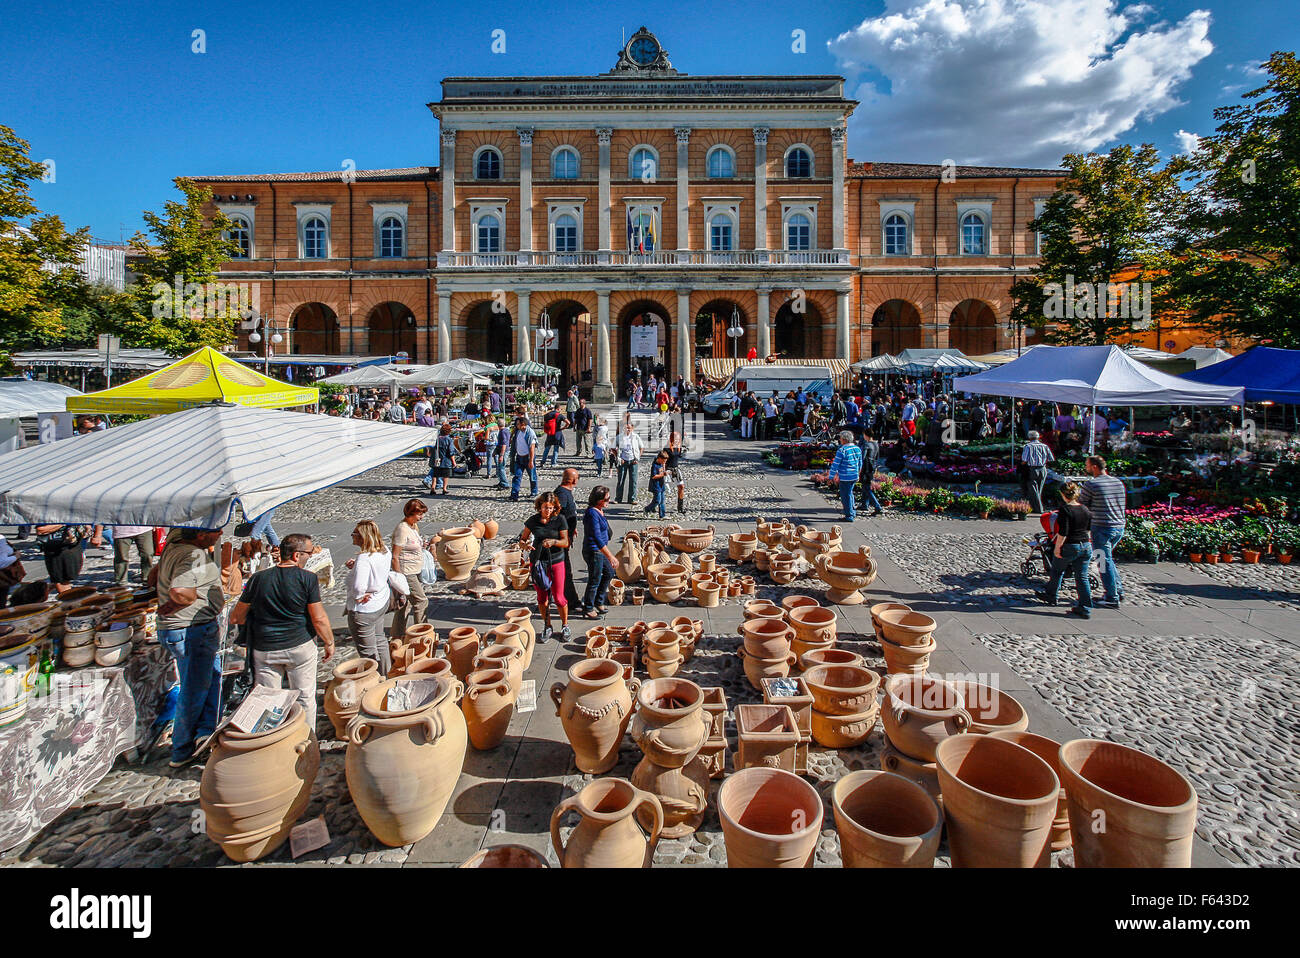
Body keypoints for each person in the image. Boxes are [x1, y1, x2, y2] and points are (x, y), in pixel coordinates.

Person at [230, 532, 335, 734]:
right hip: (299, 645)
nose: (310, 557)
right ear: (296, 555)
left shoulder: (258, 579)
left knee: (268, 699)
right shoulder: (307, 579)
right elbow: (318, 617)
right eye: (308, 553)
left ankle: (269, 740)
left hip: (265, 648)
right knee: (304, 696)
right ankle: (306, 740)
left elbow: (237, 616)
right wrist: (329, 642)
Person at [155, 527, 225, 767]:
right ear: (200, 534)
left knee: (211, 678)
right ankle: (182, 748)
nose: (221, 533)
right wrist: (176, 604)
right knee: (193, 689)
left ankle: (205, 733)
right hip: (191, 629)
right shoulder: (192, 555)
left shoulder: (174, 545)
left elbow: (152, 577)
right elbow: (180, 591)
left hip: (186, 628)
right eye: (216, 530)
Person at [1037, 482, 1093, 618]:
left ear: (1063, 494)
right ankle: (1085, 607)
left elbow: (1063, 532)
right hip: (1085, 545)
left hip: (1070, 545)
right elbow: (1089, 529)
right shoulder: (1085, 509)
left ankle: (1051, 595)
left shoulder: (1065, 510)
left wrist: (1057, 548)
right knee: (1082, 577)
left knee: (1057, 570)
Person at [520, 492, 570, 642]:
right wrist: (525, 545)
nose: (548, 511)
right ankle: (547, 625)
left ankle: (565, 625)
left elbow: (565, 542)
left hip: (556, 561)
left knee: (559, 598)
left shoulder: (560, 520)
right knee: (542, 598)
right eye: (545, 508)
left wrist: (554, 542)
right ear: (539, 507)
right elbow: (522, 539)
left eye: (550, 508)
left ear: (555, 507)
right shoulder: (533, 521)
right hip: (538, 562)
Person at [344, 520, 393, 676]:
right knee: (380, 640)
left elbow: (359, 586)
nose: (352, 536)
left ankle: (373, 679)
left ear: (362, 537)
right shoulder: (385, 551)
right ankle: (387, 674)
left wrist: (358, 596)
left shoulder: (364, 559)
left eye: (355, 533)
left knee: (367, 651)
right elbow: (378, 571)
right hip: (380, 601)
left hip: (364, 610)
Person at [1079, 455, 1126, 608]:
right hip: (1119, 526)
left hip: (1101, 527)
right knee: (1108, 560)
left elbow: (1081, 505)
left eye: (1087, 465)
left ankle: (1112, 597)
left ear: (1094, 467)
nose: (1085, 468)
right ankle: (1118, 590)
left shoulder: (1092, 484)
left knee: (1103, 562)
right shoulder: (1118, 482)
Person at [390, 499, 430, 636]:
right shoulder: (402, 529)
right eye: (419, 514)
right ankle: (421, 634)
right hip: (406, 572)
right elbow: (395, 555)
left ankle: (397, 635)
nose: (421, 517)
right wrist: (399, 577)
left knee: (404, 605)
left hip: (415, 569)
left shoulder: (412, 526)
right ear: (410, 513)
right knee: (421, 601)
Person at [578, 485, 618, 618]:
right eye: (607, 498)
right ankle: (588, 608)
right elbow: (597, 538)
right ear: (598, 499)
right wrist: (611, 556)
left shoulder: (599, 510)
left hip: (600, 550)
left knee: (609, 573)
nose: (609, 500)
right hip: (594, 551)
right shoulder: (592, 514)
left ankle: (598, 600)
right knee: (594, 579)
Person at [34, 523, 99, 593]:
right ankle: (67, 599)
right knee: (61, 580)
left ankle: (45, 589)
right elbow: (41, 530)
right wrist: (65, 523)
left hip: (73, 545)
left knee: (69, 576)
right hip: (55, 549)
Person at [554, 468, 584, 610]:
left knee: (565, 569)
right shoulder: (562, 494)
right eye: (577, 477)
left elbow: (566, 514)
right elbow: (557, 515)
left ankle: (566, 597)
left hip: (565, 537)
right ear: (573, 480)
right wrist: (565, 531)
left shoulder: (566, 493)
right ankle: (571, 601)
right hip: (560, 540)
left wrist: (573, 528)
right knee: (565, 570)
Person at [829, 430, 863, 521]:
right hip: (854, 475)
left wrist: (831, 477)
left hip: (845, 476)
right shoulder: (857, 448)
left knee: (845, 496)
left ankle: (849, 515)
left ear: (844, 439)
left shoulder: (842, 450)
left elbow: (835, 464)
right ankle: (852, 511)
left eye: (840, 438)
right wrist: (858, 473)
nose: (839, 440)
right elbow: (860, 463)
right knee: (850, 494)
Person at [1021, 430, 1055, 514]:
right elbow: (1051, 459)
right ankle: (1035, 507)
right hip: (1043, 468)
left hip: (1032, 469)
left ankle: (1039, 508)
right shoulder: (1045, 446)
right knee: (1039, 489)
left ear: (1029, 437)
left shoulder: (1028, 446)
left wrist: (1021, 464)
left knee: (1033, 489)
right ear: (1038, 437)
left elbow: (1024, 460)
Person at [510, 415, 539, 501]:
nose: (516, 425)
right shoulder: (518, 432)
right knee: (517, 476)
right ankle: (514, 495)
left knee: (532, 476)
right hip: (519, 457)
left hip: (528, 458)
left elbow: (532, 448)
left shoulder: (530, 433)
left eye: (518, 424)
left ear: (523, 424)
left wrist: (531, 461)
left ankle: (534, 492)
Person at [615, 419, 644, 504]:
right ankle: (618, 498)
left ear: (632, 428)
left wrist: (638, 458)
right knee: (620, 480)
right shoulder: (620, 437)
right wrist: (618, 457)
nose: (627, 429)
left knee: (633, 480)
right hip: (623, 461)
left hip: (633, 461)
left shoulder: (635, 436)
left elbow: (641, 447)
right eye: (626, 428)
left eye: (629, 428)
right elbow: (612, 447)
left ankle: (632, 499)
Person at [857, 428, 884, 517]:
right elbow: (877, 458)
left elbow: (862, 458)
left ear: (866, 435)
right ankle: (865, 504)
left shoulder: (866, 445)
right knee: (866, 486)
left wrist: (858, 469)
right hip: (872, 468)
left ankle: (877, 506)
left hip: (865, 468)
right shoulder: (876, 444)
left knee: (866, 487)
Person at [664, 430, 688, 514]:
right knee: (663, 490)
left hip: (675, 469)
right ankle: (657, 506)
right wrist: (664, 471)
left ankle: (680, 508)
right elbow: (663, 460)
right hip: (667, 469)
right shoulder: (667, 448)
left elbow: (680, 455)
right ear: (671, 439)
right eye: (675, 439)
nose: (677, 441)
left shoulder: (679, 447)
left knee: (681, 486)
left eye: (678, 439)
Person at [431, 422, 458, 495]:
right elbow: (451, 452)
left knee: (435, 474)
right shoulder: (449, 439)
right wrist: (454, 462)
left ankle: (433, 488)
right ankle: (444, 489)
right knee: (446, 475)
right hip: (445, 460)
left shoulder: (436, 438)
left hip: (436, 459)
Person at [646, 451, 668, 518]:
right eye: (663, 461)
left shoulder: (661, 463)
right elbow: (654, 476)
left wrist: (664, 470)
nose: (664, 462)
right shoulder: (655, 466)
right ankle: (647, 509)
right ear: (659, 459)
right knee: (657, 500)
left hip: (661, 485)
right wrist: (663, 474)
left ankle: (662, 515)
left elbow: (663, 466)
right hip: (656, 485)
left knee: (662, 501)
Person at [492, 416, 510, 489]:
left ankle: (505, 483)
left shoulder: (503, 432)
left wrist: (501, 455)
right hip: (502, 451)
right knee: (500, 468)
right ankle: (501, 482)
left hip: (504, 452)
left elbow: (504, 444)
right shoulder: (506, 430)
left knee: (501, 468)